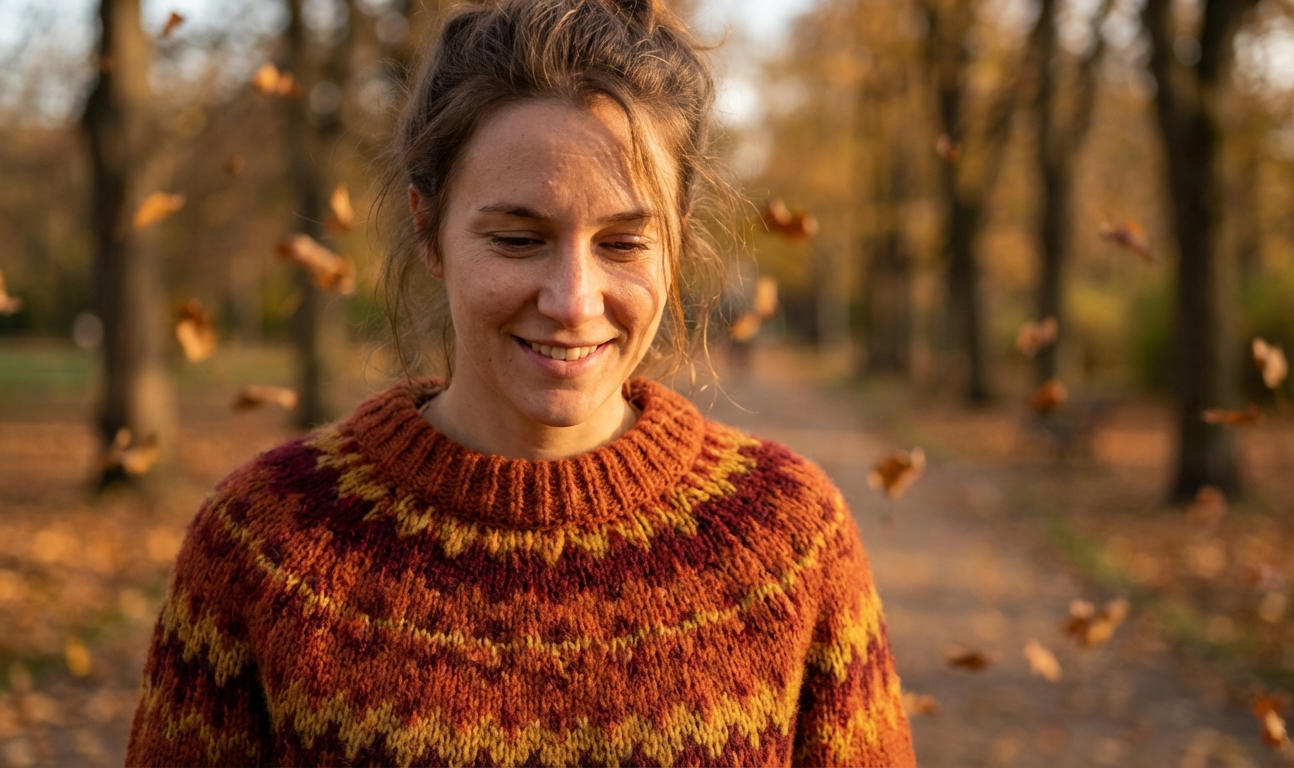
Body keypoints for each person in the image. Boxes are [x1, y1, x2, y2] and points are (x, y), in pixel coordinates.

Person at [125, 0, 917, 765]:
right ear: (427, 231)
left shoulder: (787, 540)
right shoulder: (266, 543)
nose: (572, 301)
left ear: (677, 241)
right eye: (516, 238)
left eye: (624, 243)